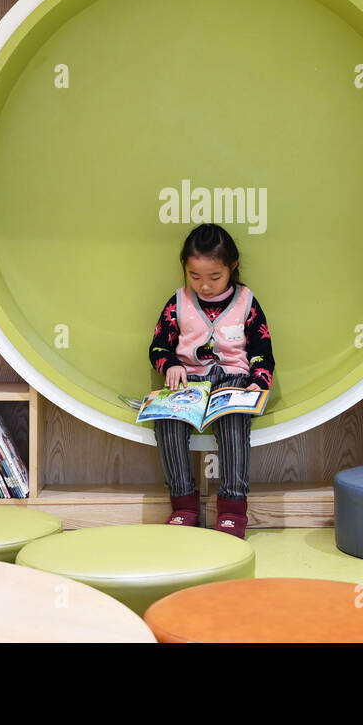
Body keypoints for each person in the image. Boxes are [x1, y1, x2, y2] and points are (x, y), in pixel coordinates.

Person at [147, 223, 274, 538]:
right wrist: (171, 364)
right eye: (195, 277)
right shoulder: (178, 302)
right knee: (167, 423)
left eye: (214, 277)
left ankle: (232, 507)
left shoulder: (246, 302)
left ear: (232, 267)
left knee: (233, 424)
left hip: (232, 379)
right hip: (188, 381)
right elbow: (158, 346)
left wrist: (259, 381)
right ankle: (183, 504)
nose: (204, 286)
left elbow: (262, 350)